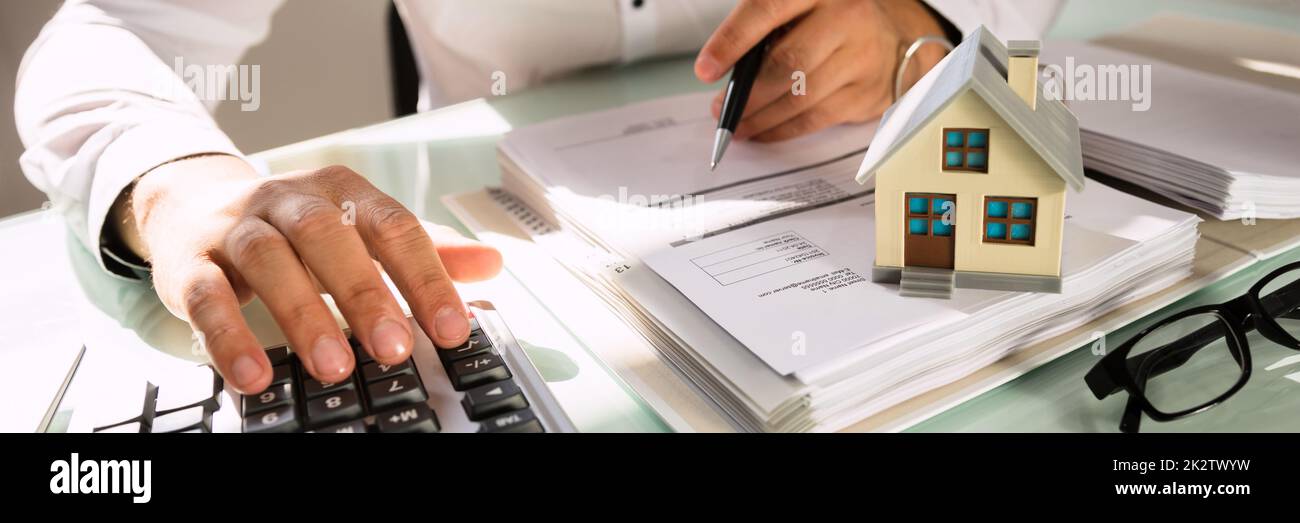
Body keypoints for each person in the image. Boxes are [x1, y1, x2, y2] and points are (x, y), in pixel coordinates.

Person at [15, 0, 1061, 394]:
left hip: (849, 200)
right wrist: (167, 180)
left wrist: (920, 17)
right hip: (503, 254)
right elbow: (111, 30)